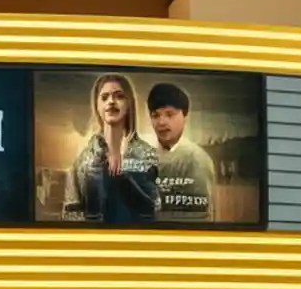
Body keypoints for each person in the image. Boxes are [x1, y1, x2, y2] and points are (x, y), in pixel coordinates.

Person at [62, 73, 160, 224]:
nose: (111, 102)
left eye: (119, 96)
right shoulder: (84, 159)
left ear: (129, 104)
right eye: (104, 97)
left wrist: (124, 180)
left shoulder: (148, 155)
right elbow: (70, 211)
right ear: (97, 106)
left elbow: (156, 211)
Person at [147, 82, 217, 222]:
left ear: (185, 116)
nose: (161, 122)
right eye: (155, 115)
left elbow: (198, 218)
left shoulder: (197, 160)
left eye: (169, 114)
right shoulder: (144, 156)